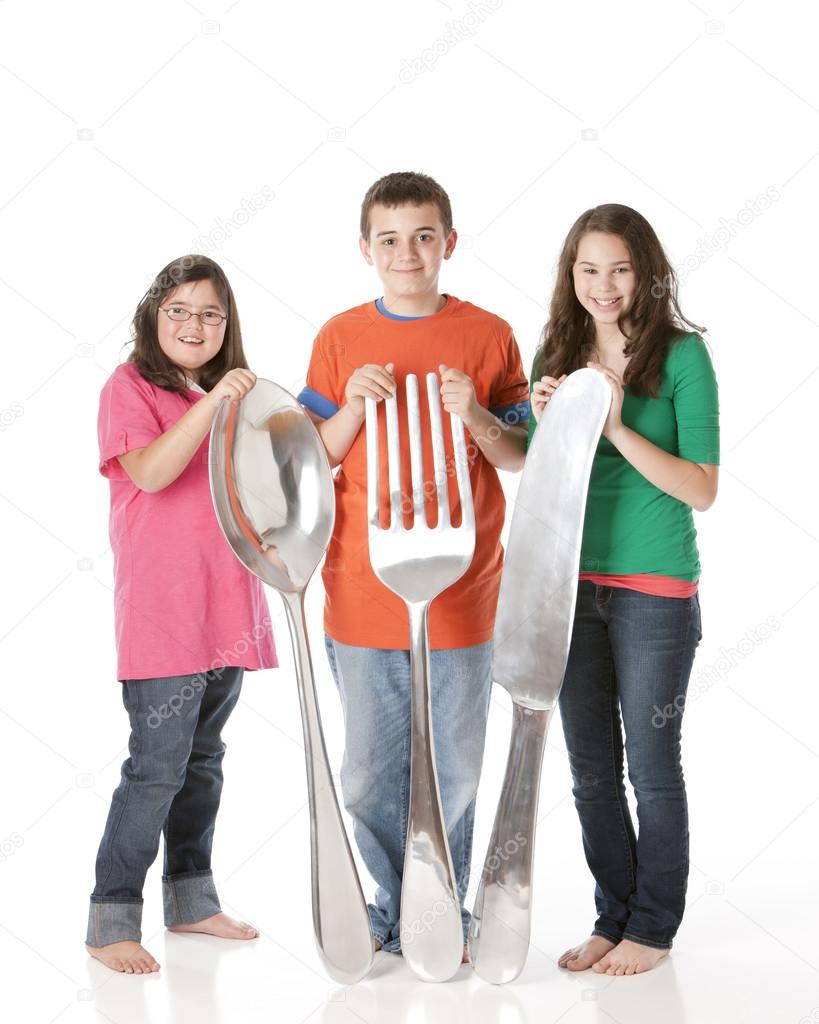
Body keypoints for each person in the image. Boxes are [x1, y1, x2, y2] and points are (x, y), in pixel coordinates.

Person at [298, 171, 529, 958]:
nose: (407, 253)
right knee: (369, 775)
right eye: (390, 239)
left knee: (453, 770)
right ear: (365, 249)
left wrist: (476, 414)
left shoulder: (489, 333)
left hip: (463, 593)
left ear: (448, 243)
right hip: (361, 592)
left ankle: (439, 912)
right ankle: (402, 911)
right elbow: (312, 459)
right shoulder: (338, 337)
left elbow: (517, 453)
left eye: (423, 236)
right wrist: (353, 408)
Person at [529, 204, 719, 976]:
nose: (602, 285)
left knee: (650, 765)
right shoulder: (558, 351)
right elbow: (542, 473)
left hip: (652, 591)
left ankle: (653, 927)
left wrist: (610, 425)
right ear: (569, 275)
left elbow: (700, 487)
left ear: (646, 273)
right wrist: (545, 422)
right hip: (569, 584)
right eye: (587, 269)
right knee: (590, 772)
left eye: (618, 268)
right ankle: (613, 916)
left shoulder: (682, 356)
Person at [86, 255, 277, 974]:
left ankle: (191, 900)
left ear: (227, 326)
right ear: (153, 314)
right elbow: (153, 471)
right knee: (156, 769)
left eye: (210, 314)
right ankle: (111, 919)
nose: (195, 325)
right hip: (163, 617)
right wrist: (214, 400)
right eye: (179, 310)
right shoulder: (129, 386)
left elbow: (261, 485)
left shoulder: (230, 397)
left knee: (203, 763)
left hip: (227, 609)